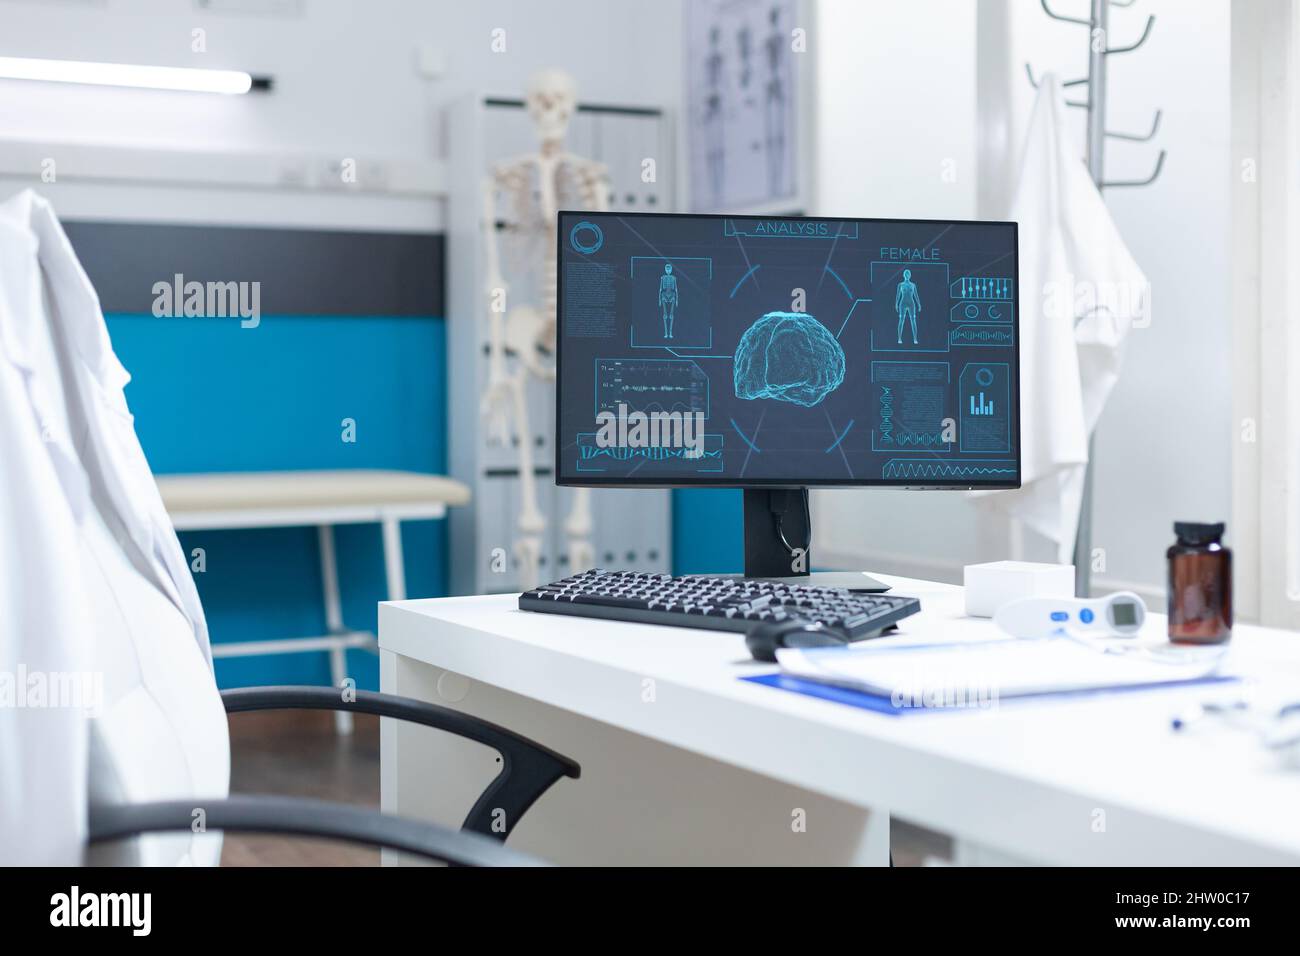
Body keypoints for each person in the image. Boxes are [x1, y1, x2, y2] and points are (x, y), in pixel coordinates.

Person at [895, 268, 921, 344]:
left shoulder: (913, 285)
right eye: (905, 274)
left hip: (911, 303)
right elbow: (898, 295)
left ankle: (915, 339)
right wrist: (896, 304)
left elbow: (916, 295)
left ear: (910, 275)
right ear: (903, 275)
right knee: (901, 320)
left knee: (913, 320)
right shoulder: (900, 285)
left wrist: (919, 304)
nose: (907, 275)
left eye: (908, 274)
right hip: (902, 303)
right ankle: (899, 338)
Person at [659, 262, 679, 339]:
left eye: (669, 269)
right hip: (664, 295)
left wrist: (677, 300)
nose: (668, 270)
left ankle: (670, 333)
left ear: (671, 270)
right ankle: (666, 333)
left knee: (671, 315)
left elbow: (676, 289)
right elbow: (660, 289)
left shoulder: (673, 278)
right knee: (665, 315)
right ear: (665, 269)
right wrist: (659, 300)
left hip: (672, 295)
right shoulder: (662, 277)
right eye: (667, 269)